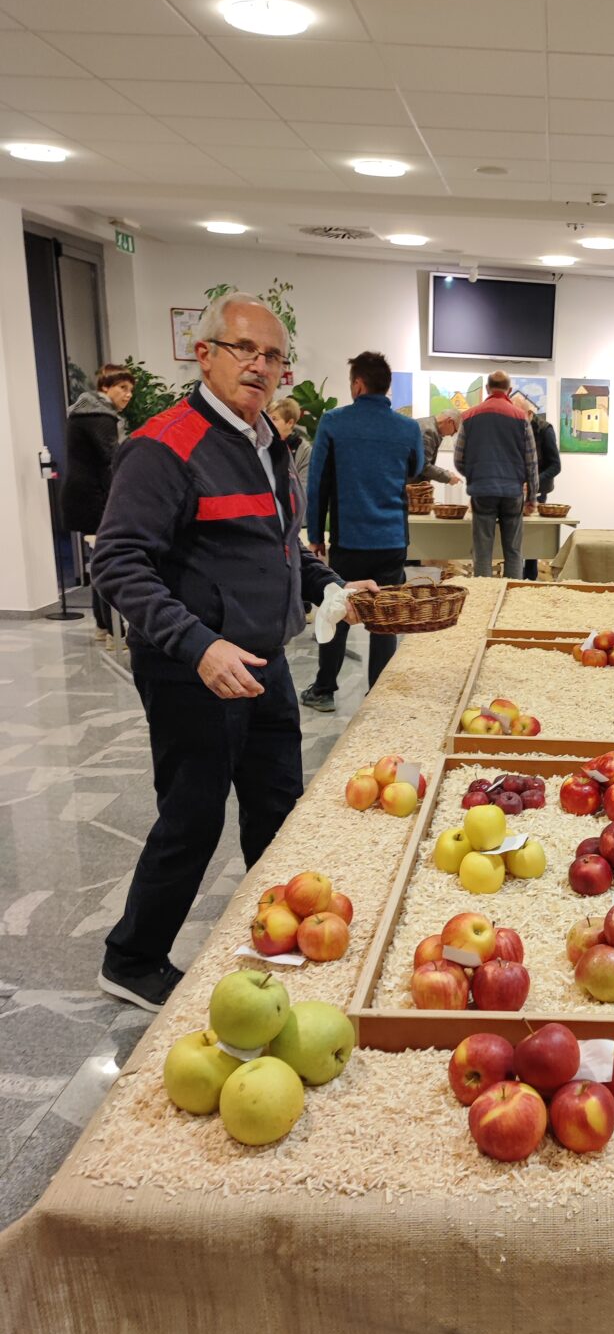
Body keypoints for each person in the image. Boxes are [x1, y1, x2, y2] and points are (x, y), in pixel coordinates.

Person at [91, 295, 375, 1012]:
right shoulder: (165, 446)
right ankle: (132, 956)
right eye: (244, 348)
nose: (260, 365)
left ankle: (285, 928)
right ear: (204, 353)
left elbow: (282, 549)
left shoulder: (265, 443)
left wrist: (335, 584)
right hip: (195, 667)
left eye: (273, 355)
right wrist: (198, 645)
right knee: (193, 815)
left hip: (262, 659)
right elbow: (119, 564)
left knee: (278, 803)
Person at [302, 351, 423, 712]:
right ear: (385, 386)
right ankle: (378, 695)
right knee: (385, 619)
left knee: (337, 609)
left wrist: (315, 534)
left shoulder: (334, 422)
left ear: (357, 384)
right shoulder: (408, 428)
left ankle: (324, 690)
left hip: (349, 538)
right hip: (391, 538)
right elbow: (415, 469)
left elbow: (318, 482)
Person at [61, 364, 134, 641]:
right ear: (105, 388)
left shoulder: (83, 413)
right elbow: (111, 461)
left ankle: (104, 627)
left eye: (130, 390)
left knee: (99, 562)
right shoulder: (100, 416)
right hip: (95, 499)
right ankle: (115, 631)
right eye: (122, 388)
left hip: (82, 498)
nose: (128, 395)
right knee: (109, 563)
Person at [453, 370, 539, 578]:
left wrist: (475, 476)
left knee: (482, 553)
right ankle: (512, 597)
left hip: (482, 491)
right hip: (512, 492)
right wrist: (532, 497)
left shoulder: (470, 416)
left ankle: (485, 599)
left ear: (486, 389)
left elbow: (459, 459)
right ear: (509, 390)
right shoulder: (520, 417)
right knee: (514, 551)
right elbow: (531, 461)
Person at [512, 396, 560, 582]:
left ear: (530, 413)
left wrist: (533, 482)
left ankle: (530, 577)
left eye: (518, 414)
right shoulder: (516, 428)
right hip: (516, 491)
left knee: (531, 539)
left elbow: (556, 466)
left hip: (538, 492)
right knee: (516, 535)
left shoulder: (545, 430)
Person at [414, 409, 464, 487]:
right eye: (455, 430)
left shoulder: (425, 423)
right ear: (449, 421)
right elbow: (423, 465)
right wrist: (448, 477)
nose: (451, 435)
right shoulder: (429, 431)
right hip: (410, 486)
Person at [269, 396, 311, 485]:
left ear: (290, 423)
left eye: (274, 419)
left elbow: (304, 487)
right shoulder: (263, 444)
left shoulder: (304, 450)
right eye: (267, 418)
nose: (268, 423)